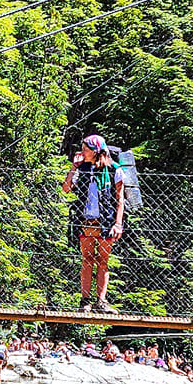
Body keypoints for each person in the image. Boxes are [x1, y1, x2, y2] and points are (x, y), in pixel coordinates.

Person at [63, 133, 125, 315]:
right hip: (85, 220)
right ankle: (85, 301)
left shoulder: (114, 169)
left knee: (103, 262)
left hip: (105, 221)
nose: (82, 152)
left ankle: (101, 301)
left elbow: (119, 199)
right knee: (87, 260)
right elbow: (66, 188)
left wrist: (118, 223)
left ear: (96, 151)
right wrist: (73, 168)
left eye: (85, 149)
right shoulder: (81, 168)